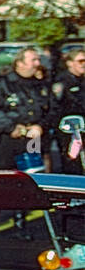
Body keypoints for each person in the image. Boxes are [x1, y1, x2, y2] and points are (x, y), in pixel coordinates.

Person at [0, 47, 55, 240]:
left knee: (26, 182)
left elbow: (52, 111)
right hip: (7, 140)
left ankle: (22, 224)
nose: (38, 63)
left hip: (31, 141)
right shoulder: (3, 83)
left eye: (38, 59)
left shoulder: (41, 85)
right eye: (33, 60)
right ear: (20, 63)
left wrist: (40, 126)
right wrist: (12, 126)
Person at [51, 48, 85, 176]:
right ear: (70, 63)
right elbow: (55, 106)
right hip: (68, 131)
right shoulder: (62, 81)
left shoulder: (83, 80)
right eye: (80, 60)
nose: (84, 64)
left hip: (83, 129)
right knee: (72, 163)